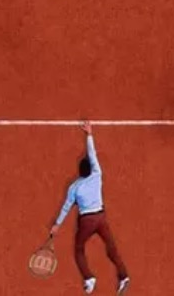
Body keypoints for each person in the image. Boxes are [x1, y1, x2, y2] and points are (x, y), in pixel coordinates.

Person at [50, 121, 131, 294]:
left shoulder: (74, 187)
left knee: (79, 250)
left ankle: (89, 278)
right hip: (101, 219)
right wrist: (89, 134)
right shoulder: (97, 174)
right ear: (90, 169)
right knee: (111, 248)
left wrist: (57, 225)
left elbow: (66, 207)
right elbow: (92, 154)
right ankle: (123, 276)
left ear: (79, 171)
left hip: (86, 221)